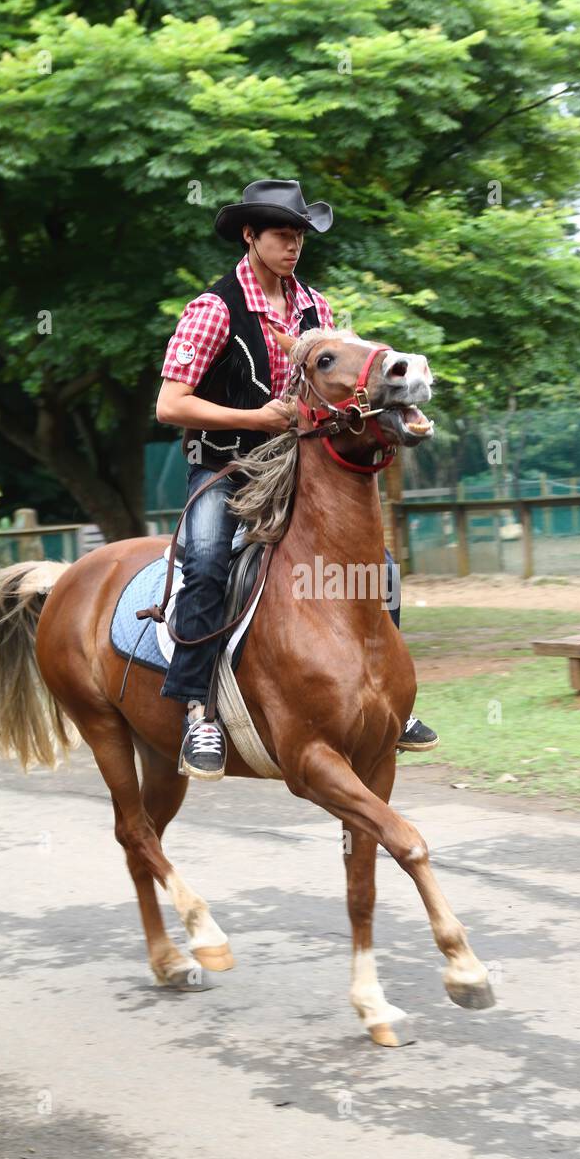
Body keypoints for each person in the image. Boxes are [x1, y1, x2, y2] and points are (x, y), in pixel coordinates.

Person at [155, 179, 439, 780]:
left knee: (378, 564)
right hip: (224, 468)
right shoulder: (213, 310)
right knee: (206, 561)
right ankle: (197, 712)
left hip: (295, 464)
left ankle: (390, 700)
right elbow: (170, 405)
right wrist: (254, 417)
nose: (294, 245)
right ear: (251, 236)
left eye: (300, 235)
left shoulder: (316, 308)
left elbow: (333, 391)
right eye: (283, 234)